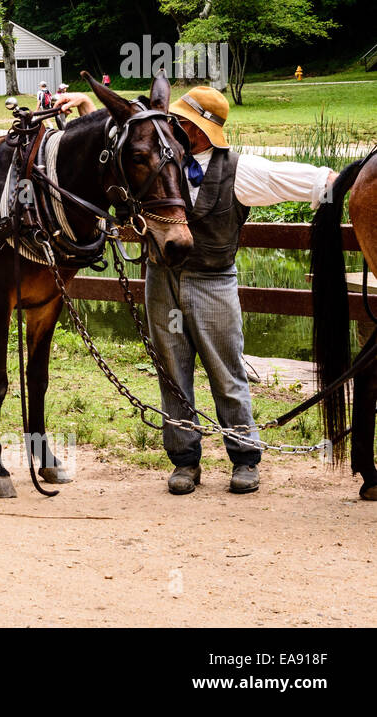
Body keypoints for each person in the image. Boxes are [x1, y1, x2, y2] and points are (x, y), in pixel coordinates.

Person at [57, 83, 338, 495]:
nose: (175, 128)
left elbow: (316, 181)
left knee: (227, 374)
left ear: (202, 130)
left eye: (183, 123)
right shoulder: (159, 156)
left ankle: (244, 458)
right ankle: (185, 460)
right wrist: (85, 106)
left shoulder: (241, 170)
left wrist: (342, 183)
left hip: (213, 282)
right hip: (161, 280)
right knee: (172, 374)